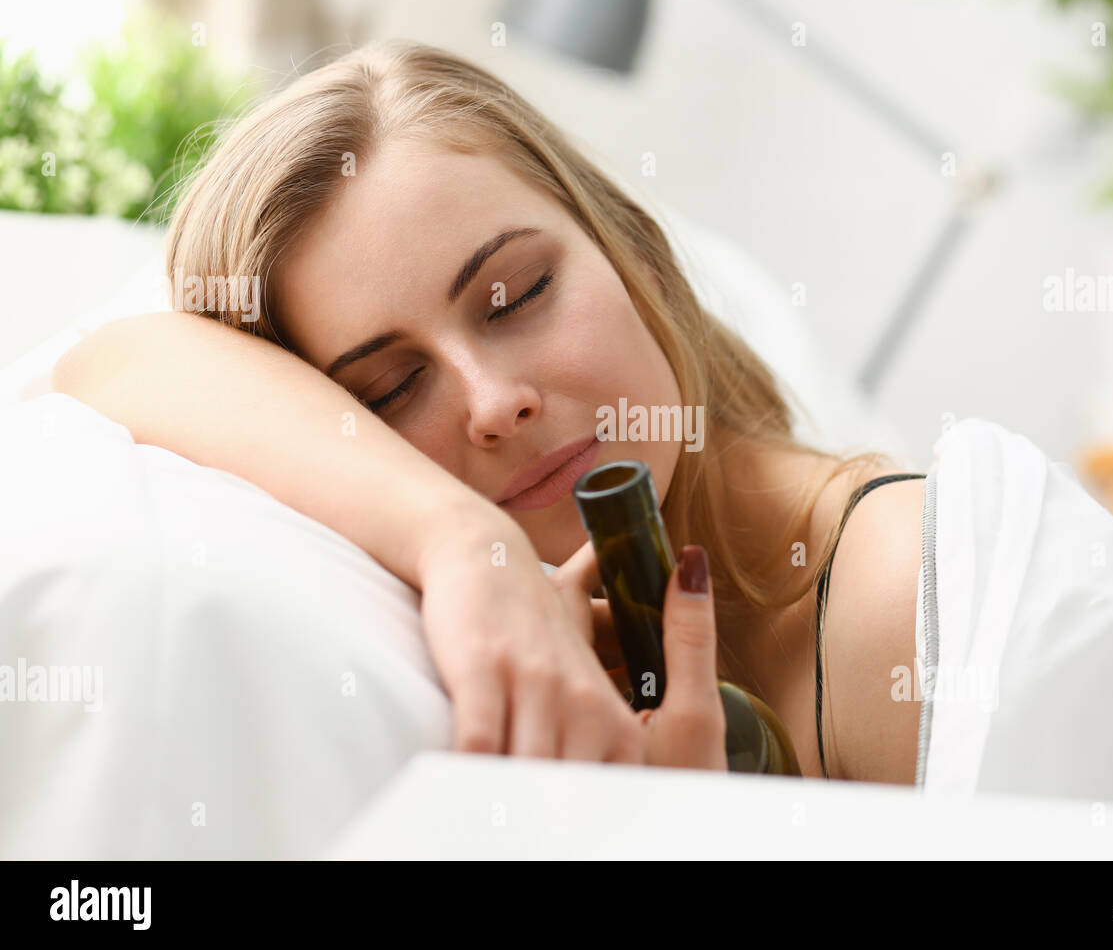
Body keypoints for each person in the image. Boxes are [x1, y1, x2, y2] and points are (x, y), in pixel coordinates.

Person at [53, 39, 922, 783]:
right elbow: (115, 360)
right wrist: (465, 541)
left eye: (519, 295)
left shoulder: (901, 596)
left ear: (635, 257)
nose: (495, 404)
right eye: (388, 392)